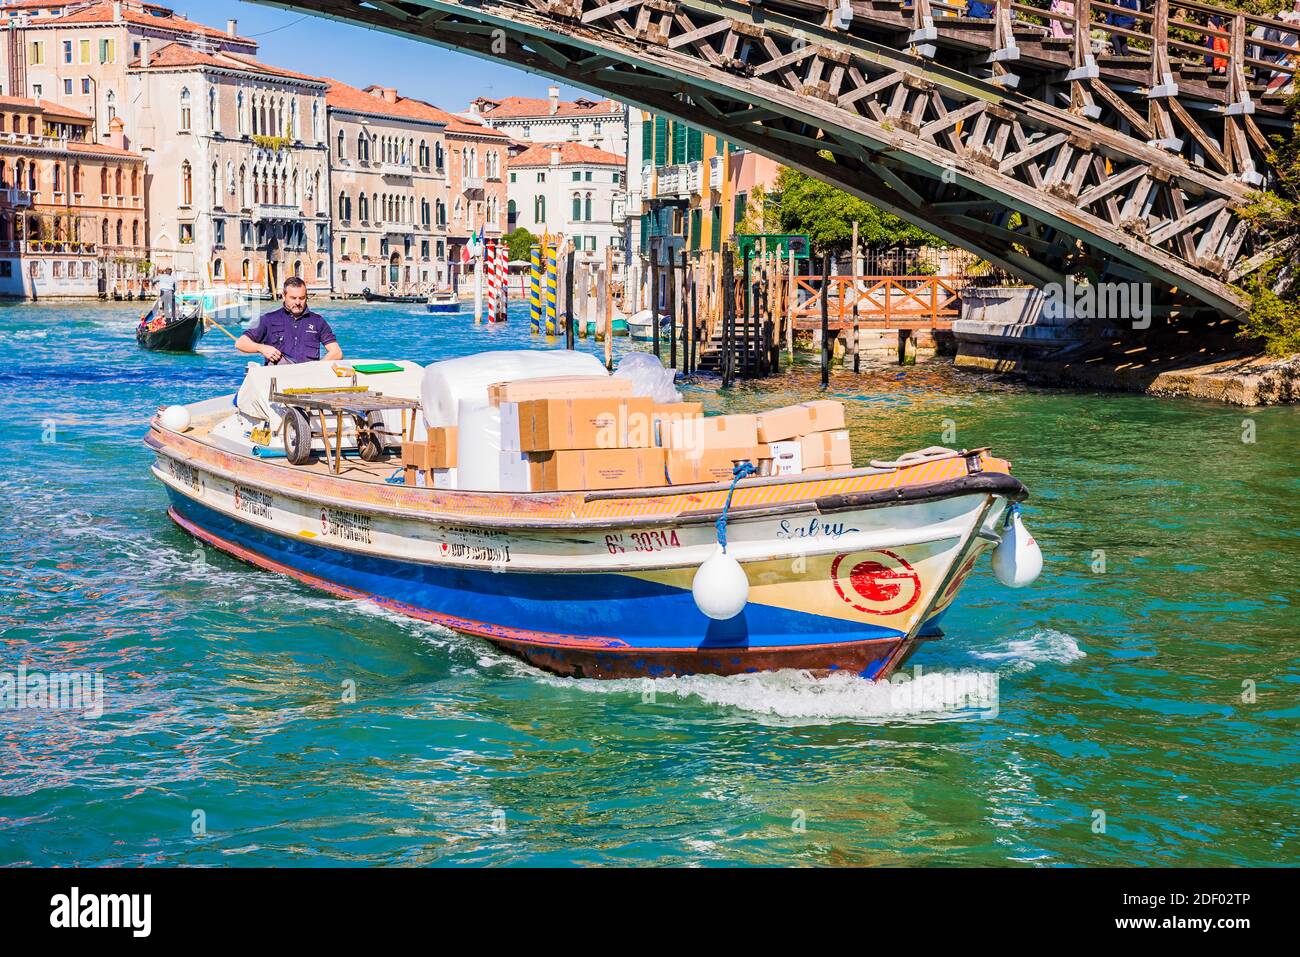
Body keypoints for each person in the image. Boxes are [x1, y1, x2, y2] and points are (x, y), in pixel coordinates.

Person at [236, 277, 343, 365]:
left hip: (308, 380)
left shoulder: (318, 321)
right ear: (284, 296)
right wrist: (261, 348)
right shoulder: (268, 319)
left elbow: (336, 352)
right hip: (276, 380)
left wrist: (316, 369)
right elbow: (241, 343)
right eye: (293, 298)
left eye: (302, 298)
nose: (297, 302)